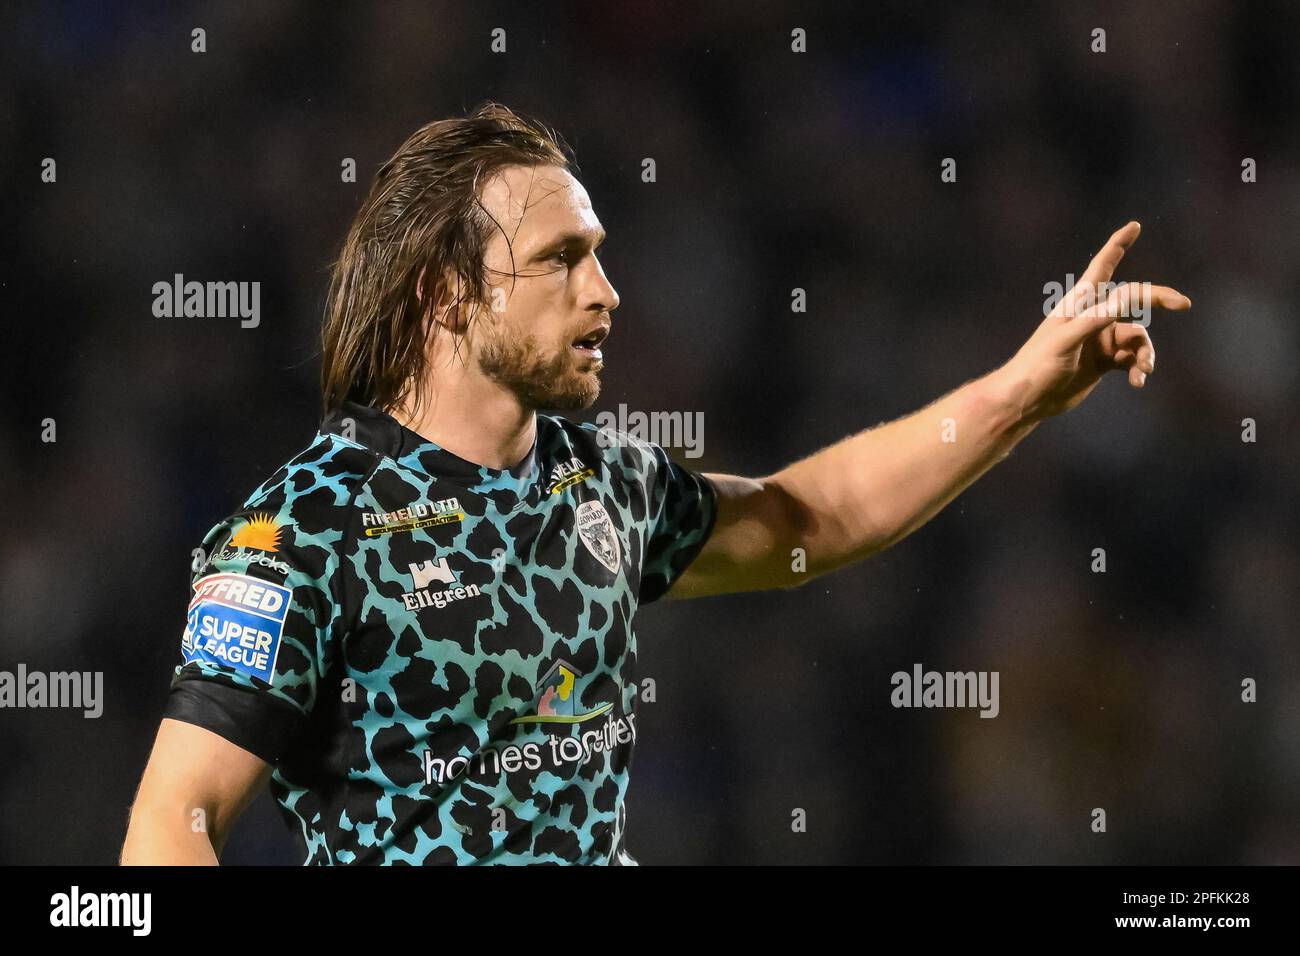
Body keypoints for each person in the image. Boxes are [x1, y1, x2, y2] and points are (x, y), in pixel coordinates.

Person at [121, 102, 1190, 865]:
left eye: (601, 254)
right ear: (447, 295)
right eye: (562, 258)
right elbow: (173, 825)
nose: (608, 290)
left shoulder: (604, 485)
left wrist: (1019, 392)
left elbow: (815, 515)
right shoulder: (304, 527)